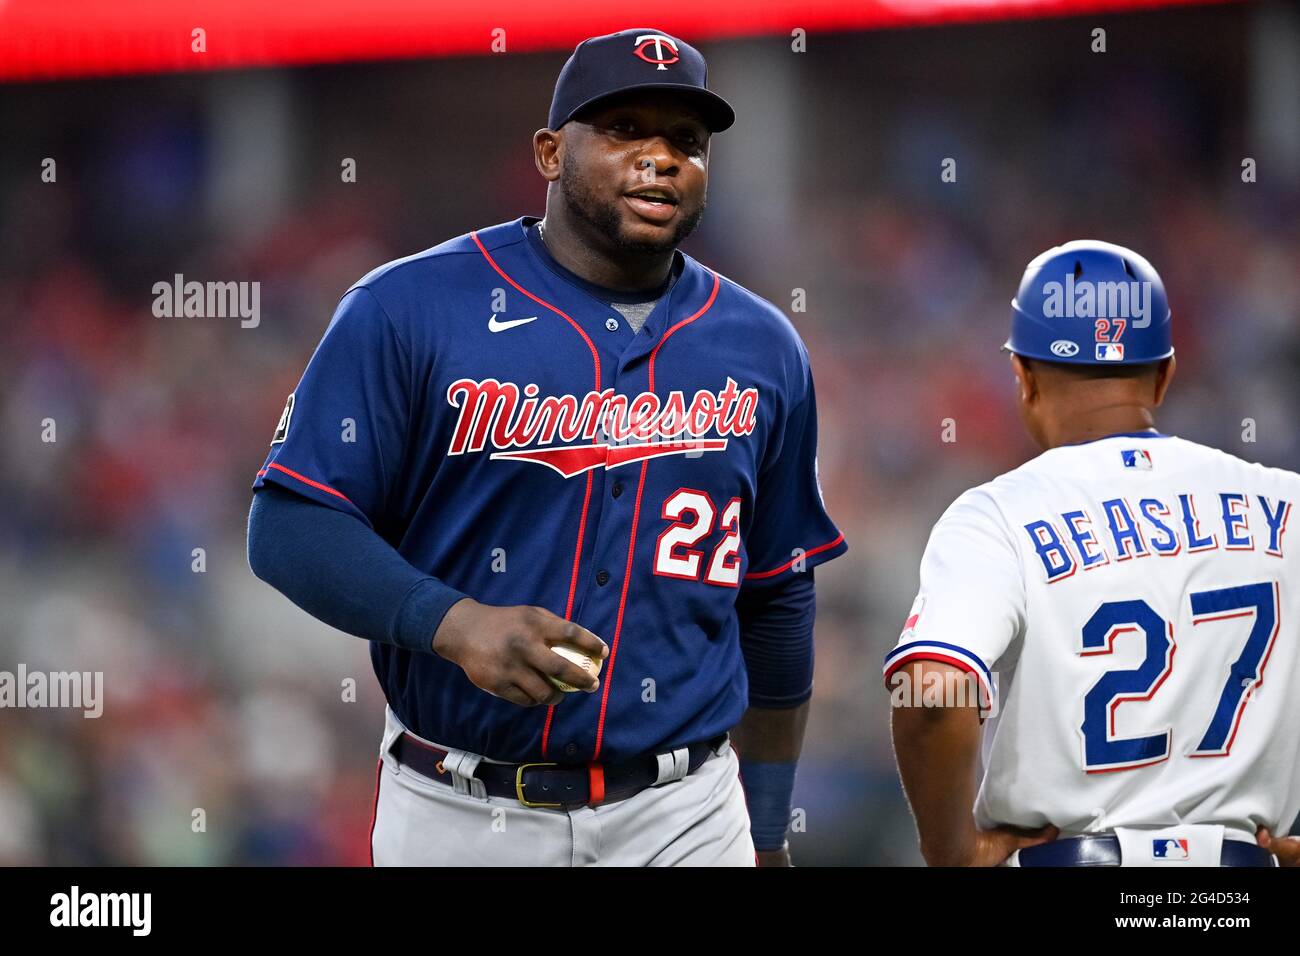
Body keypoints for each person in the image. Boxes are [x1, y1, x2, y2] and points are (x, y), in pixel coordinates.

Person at [247, 27, 846, 866]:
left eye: (686, 142)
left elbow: (778, 593)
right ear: (550, 151)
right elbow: (289, 525)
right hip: (462, 811)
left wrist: (771, 827)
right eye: (625, 129)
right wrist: (452, 624)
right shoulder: (409, 307)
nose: (660, 158)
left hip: (687, 815)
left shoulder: (763, 346)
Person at [885, 240, 1300, 867]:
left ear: (1022, 376)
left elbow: (933, 692)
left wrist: (952, 852)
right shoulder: (1285, 502)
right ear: (1164, 374)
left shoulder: (997, 515)